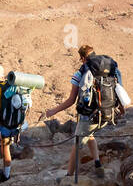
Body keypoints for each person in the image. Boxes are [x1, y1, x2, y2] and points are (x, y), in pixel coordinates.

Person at [44, 45, 124, 178]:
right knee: (89, 135)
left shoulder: (80, 73)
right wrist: (121, 109)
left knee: (77, 143)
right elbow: (119, 89)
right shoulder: (109, 68)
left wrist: (52, 112)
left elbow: (71, 100)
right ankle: (98, 164)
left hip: (90, 116)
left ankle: (69, 176)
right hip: (107, 114)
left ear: (82, 58)